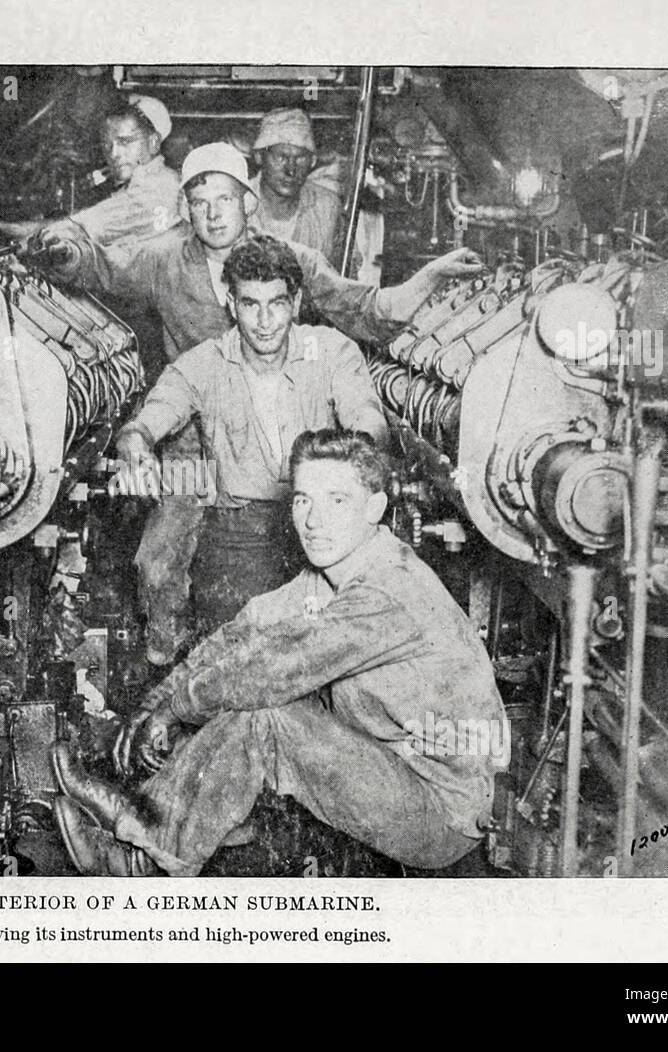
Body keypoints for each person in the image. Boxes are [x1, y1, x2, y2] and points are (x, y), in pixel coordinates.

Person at [37, 142, 481, 666]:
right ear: (185, 207)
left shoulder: (285, 263)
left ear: (249, 202)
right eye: (200, 202)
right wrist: (61, 247)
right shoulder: (161, 260)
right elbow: (102, 269)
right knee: (158, 562)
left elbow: (367, 310)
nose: (213, 213)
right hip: (191, 446)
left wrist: (428, 278)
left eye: (226, 199)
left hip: (281, 427)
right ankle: (169, 657)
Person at [49, 428, 511, 877]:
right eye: (302, 500)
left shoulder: (387, 588)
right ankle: (146, 812)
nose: (313, 520)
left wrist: (174, 708)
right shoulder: (336, 571)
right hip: (384, 756)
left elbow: (272, 673)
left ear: (375, 508)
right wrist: (154, 704)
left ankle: (142, 860)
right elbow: (242, 635)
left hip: (438, 809)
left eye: (337, 501)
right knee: (240, 682)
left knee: (265, 714)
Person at [112, 236, 389, 636]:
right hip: (237, 535)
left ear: (295, 304)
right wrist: (137, 452)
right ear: (231, 303)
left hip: (324, 522)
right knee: (236, 659)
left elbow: (366, 416)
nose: (264, 321)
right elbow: (143, 425)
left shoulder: (330, 350)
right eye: (250, 304)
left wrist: (359, 449)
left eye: (276, 303)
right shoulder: (205, 362)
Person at [0, 95, 181, 247]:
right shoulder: (135, 186)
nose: (114, 154)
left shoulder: (158, 187)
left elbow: (81, 228)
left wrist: (3, 228)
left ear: (154, 142)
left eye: (125, 142)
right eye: (107, 145)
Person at [247, 108, 342, 256]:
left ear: (313, 161)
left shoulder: (327, 207)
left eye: (300, 158)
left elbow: (345, 272)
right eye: (281, 157)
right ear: (259, 156)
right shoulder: (237, 203)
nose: (290, 170)